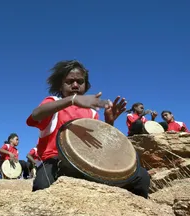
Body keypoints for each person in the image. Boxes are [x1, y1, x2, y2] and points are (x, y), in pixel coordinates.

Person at [26, 60, 150, 199]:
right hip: (56, 161)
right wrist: (72, 100)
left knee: (141, 176)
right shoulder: (53, 102)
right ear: (60, 86)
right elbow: (36, 115)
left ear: (85, 86)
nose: (75, 85)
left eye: (80, 81)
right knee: (43, 184)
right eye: (69, 81)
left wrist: (110, 121)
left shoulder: (91, 112)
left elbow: (99, 145)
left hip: (88, 163)